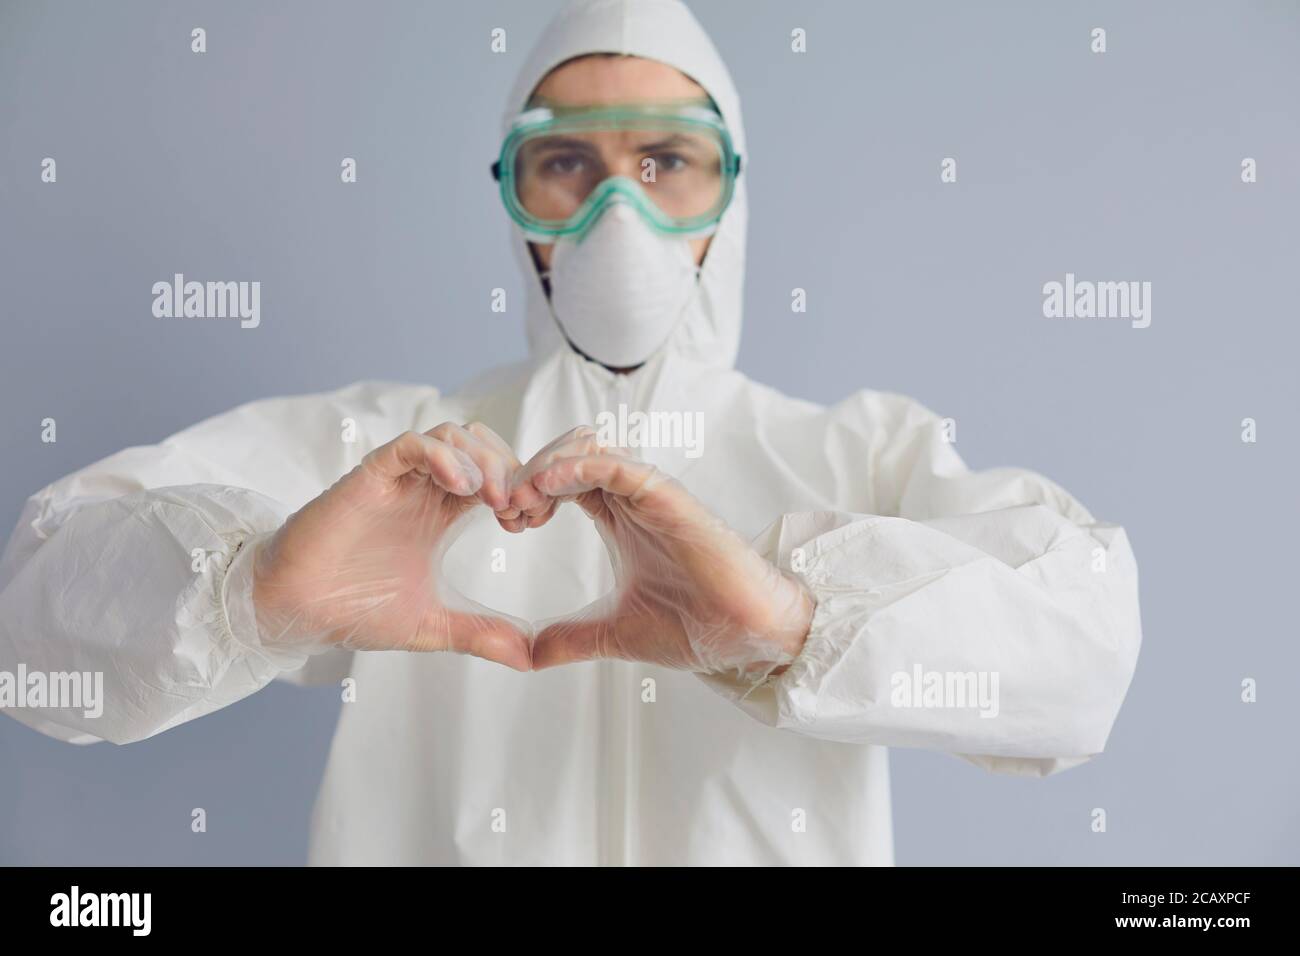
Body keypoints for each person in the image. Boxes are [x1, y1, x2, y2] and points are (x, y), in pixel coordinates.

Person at [0, 0, 1141, 865]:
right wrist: (249, 589)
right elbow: (31, 632)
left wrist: (801, 621)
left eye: (664, 163)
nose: (617, 210)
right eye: (567, 164)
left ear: (727, 194)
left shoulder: (859, 456)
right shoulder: (393, 459)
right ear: (516, 195)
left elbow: (1083, 650)